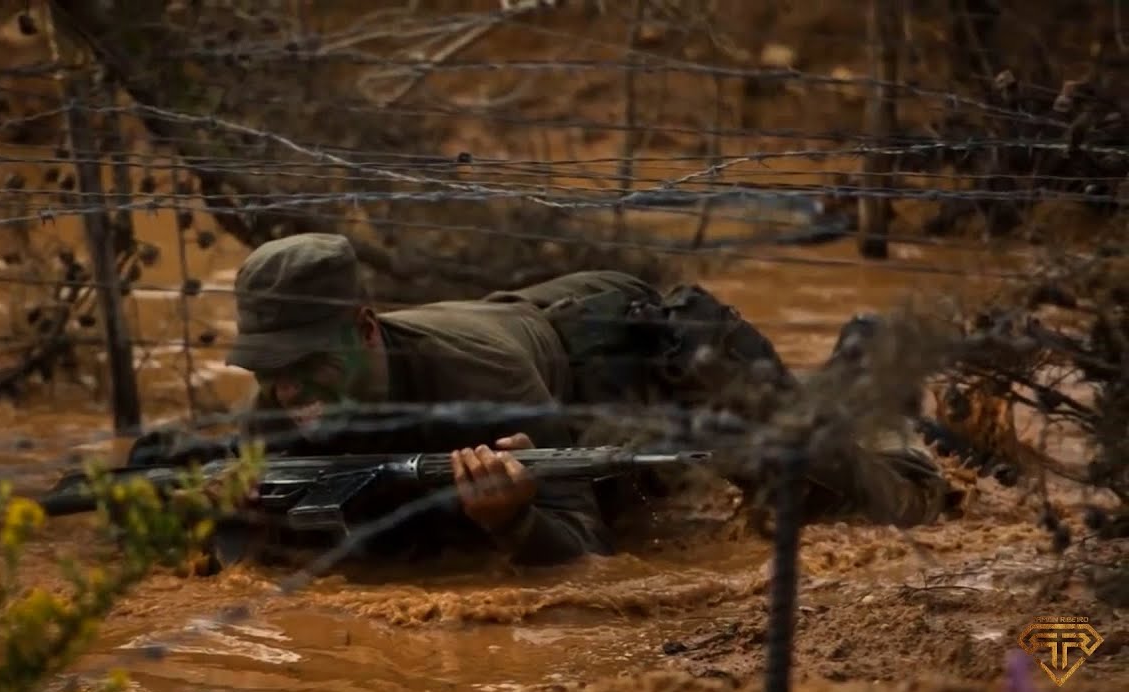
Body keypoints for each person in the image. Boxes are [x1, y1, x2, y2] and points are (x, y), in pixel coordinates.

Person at [137, 232, 953, 567]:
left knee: (821, 490)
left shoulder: (480, 381)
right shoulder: (281, 403)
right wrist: (227, 518)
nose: (285, 389)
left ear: (365, 327)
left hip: (620, 351)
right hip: (527, 340)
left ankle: (880, 399)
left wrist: (514, 519)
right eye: (267, 367)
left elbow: (588, 552)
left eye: (306, 363)